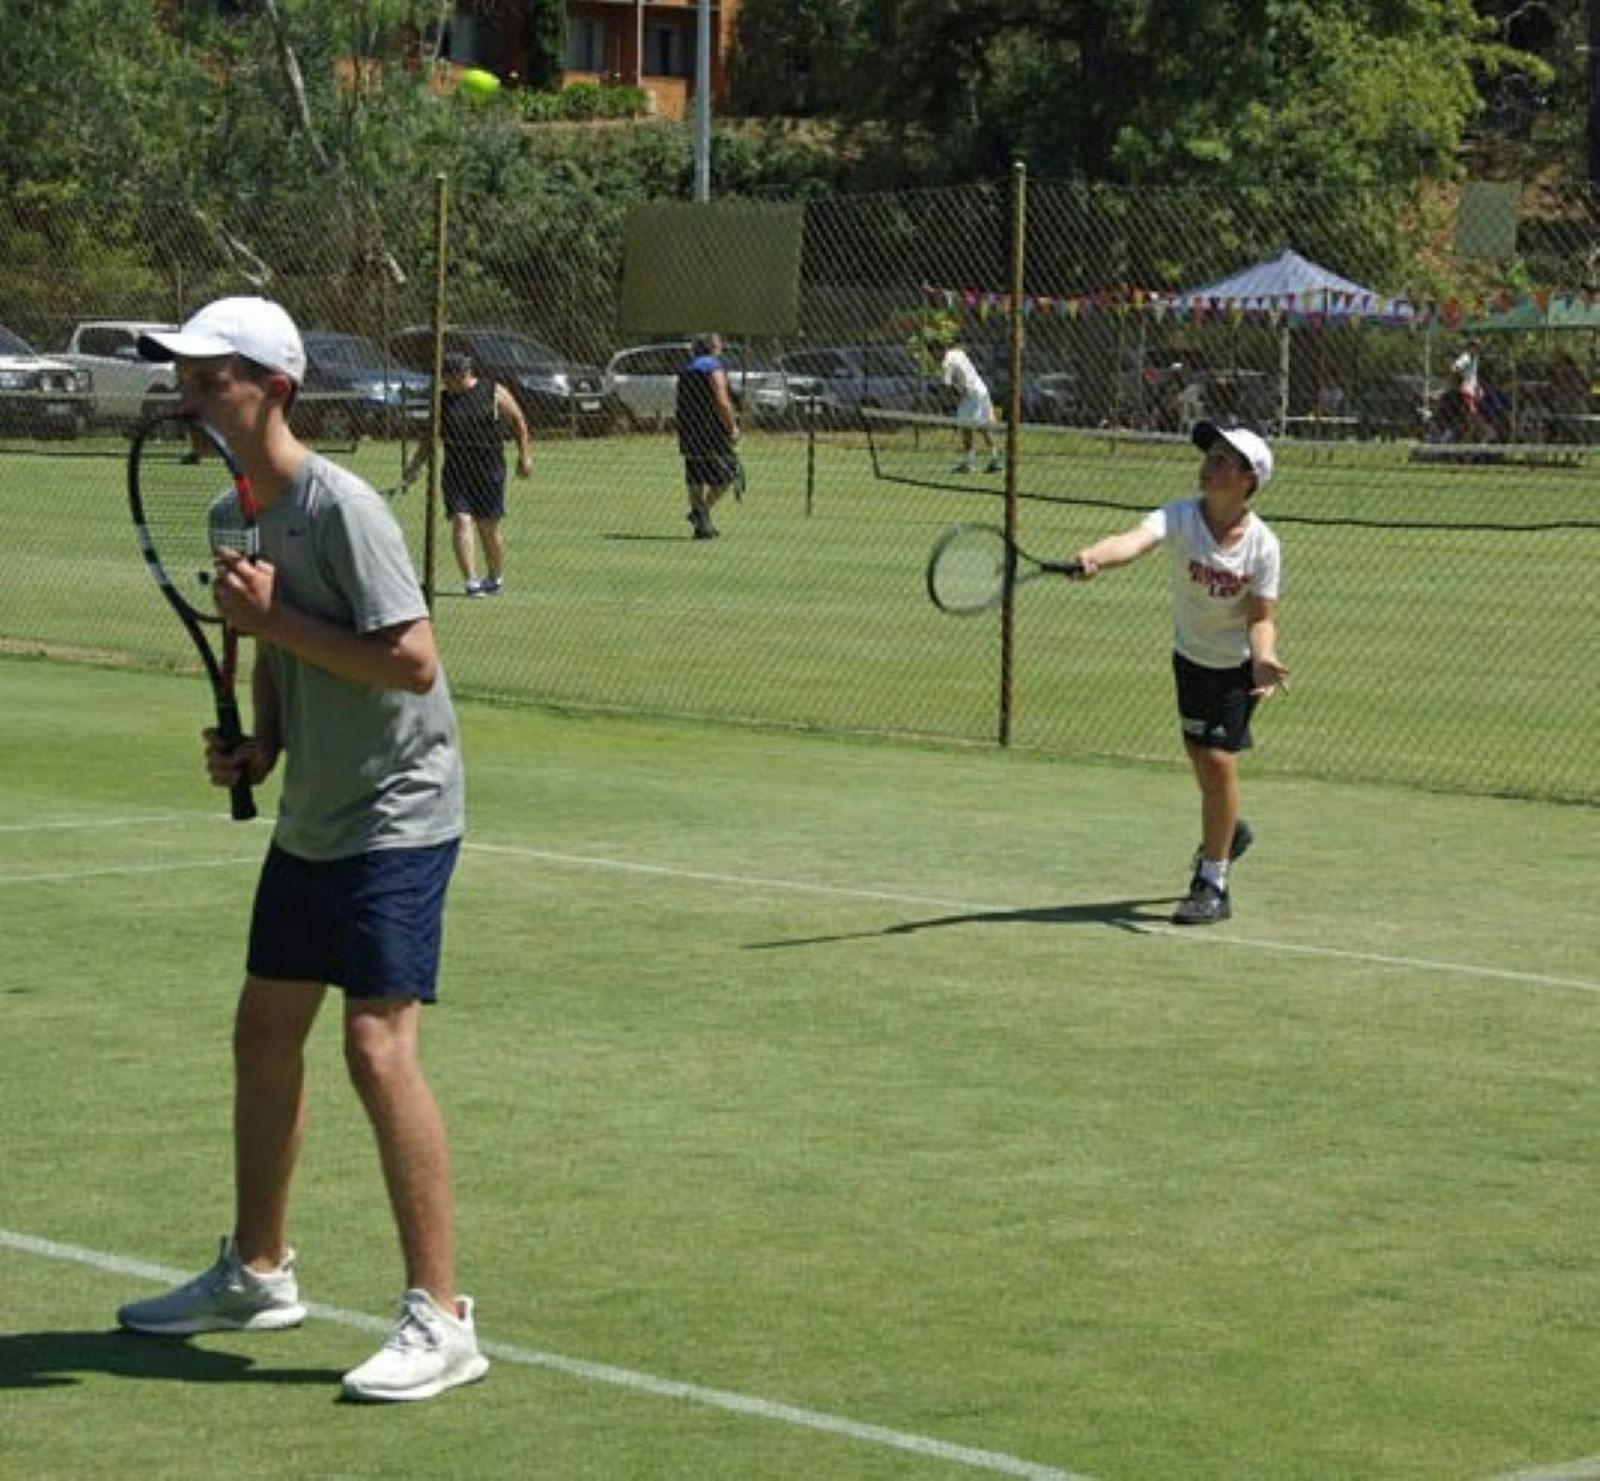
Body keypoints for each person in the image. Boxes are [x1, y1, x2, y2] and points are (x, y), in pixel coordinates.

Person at [118, 296, 486, 1403]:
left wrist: (273, 626)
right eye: (184, 374)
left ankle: (442, 1315)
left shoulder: (344, 507)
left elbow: (412, 660)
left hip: (401, 810)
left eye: (208, 375)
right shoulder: (238, 507)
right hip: (316, 810)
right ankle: (258, 1272)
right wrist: (263, 744)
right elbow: (276, 649)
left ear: (271, 387)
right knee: (265, 1026)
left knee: (376, 1044)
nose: (185, 392)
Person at [1071, 421, 1288, 926]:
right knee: (1199, 758)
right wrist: (1095, 557)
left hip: (1236, 668)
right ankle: (1228, 832)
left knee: (1217, 762)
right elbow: (1132, 541)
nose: (1208, 466)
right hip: (1189, 659)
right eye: (1209, 456)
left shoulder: (1263, 545)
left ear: (1247, 480)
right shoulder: (1180, 516)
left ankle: (1213, 882)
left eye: (1222, 461)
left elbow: (1261, 617)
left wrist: (1263, 657)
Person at [404, 350, 532, 596]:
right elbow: (430, 437)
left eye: (447, 377)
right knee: (461, 520)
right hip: (456, 470)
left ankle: (494, 576)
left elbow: (518, 421)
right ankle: (471, 581)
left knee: (487, 526)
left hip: (489, 469)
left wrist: (525, 455)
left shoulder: (493, 391)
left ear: (462, 374)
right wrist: (415, 466)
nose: (444, 382)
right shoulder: (442, 401)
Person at [676, 333, 742, 540]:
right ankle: (701, 512)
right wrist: (732, 428)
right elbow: (722, 401)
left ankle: (702, 525)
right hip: (712, 433)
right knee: (728, 474)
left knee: (696, 478)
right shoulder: (714, 368)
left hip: (688, 431)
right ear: (714, 348)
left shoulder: (686, 371)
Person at [935, 340, 1002, 473]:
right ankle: (995, 460)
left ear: (938, 350)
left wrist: (941, 403)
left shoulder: (946, 364)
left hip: (971, 395)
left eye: (932, 353)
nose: (932, 357)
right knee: (984, 427)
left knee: (967, 428)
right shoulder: (957, 352)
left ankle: (970, 463)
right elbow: (964, 348)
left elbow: (946, 387)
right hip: (982, 390)